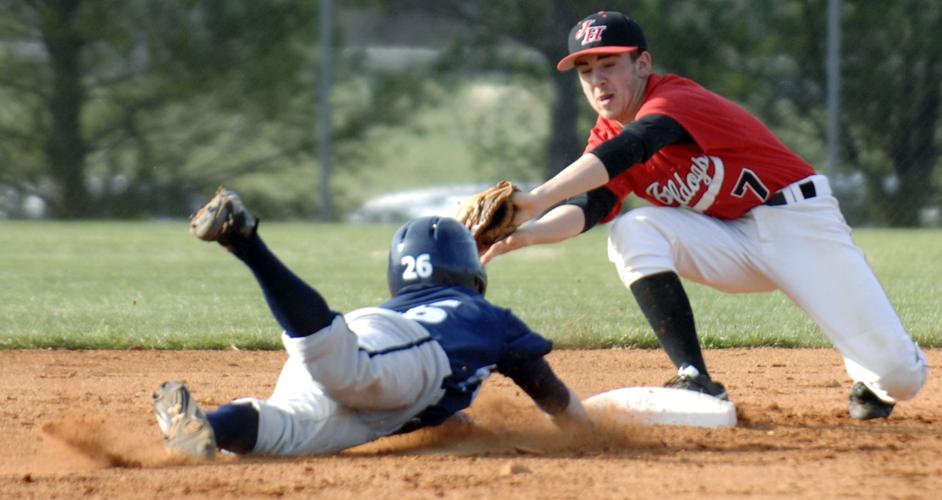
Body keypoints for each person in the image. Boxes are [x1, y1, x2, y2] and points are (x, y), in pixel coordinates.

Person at [480, 11, 927, 420]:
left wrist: (536, 196)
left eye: (609, 64)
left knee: (898, 378)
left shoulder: (673, 98)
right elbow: (589, 206)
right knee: (633, 229)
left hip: (797, 223)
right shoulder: (605, 135)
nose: (597, 80)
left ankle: (876, 377)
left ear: (641, 65)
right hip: (726, 238)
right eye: (586, 70)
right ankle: (696, 377)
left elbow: (633, 147)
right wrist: (526, 234)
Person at [153, 188, 589, 459]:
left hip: (372, 366)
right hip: (395, 348)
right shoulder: (489, 317)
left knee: (282, 432)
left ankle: (206, 427)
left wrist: (448, 424)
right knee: (344, 364)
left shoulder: (408, 309)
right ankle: (246, 242)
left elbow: (415, 394)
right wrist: (584, 432)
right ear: (472, 272)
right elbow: (549, 392)